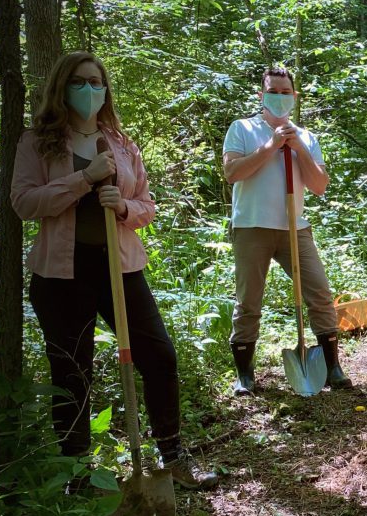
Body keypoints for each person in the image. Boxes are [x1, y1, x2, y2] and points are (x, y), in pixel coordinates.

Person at [12, 51, 217, 489]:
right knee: (72, 372)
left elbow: (146, 206)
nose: (89, 90)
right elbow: (24, 203)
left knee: (159, 355)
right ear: (62, 87)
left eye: (96, 82)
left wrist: (123, 206)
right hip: (61, 275)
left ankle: (172, 456)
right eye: (79, 82)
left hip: (119, 267)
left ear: (105, 90)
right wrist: (84, 179)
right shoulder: (38, 141)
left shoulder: (121, 143)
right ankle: (77, 476)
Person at [223, 67, 350, 394]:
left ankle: (332, 367)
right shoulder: (242, 128)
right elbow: (232, 172)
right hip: (252, 227)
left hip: (295, 228)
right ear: (261, 95)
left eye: (285, 92)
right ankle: (244, 375)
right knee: (248, 301)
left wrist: (298, 148)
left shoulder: (306, 137)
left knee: (320, 293)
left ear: (294, 96)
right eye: (273, 91)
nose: (279, 97)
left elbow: (319, 185)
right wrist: (271, 145)